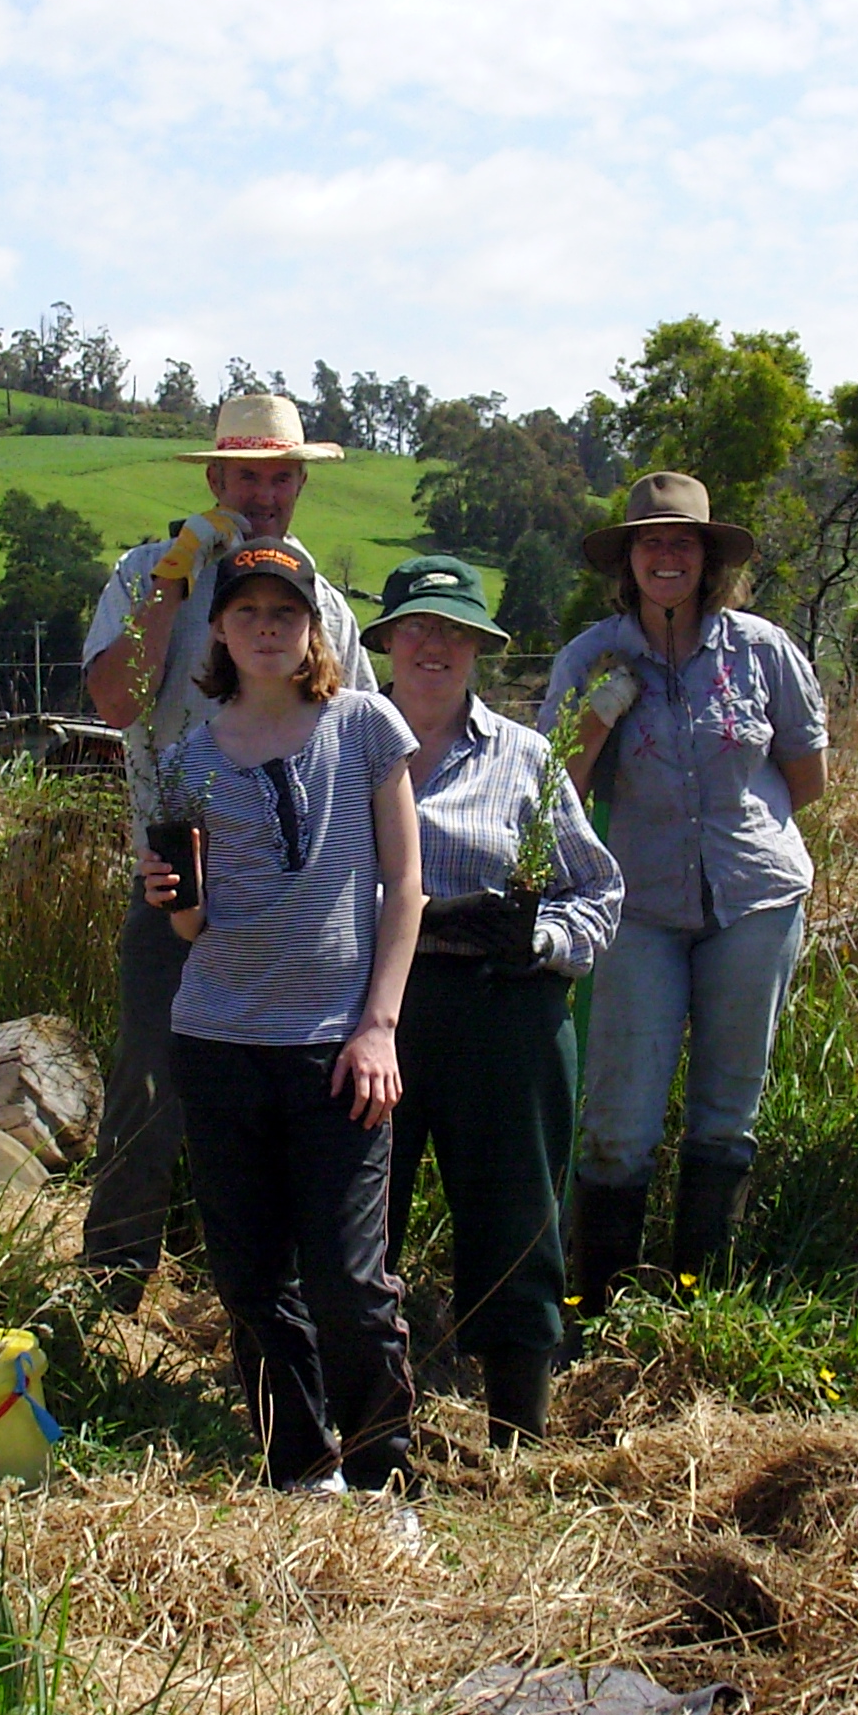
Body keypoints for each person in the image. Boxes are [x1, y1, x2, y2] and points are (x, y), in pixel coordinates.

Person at [138, 541, 424, 1495]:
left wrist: (378, 1026)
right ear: (218, 630)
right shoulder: (186, 759)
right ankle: (302, 1473)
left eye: (286, 613)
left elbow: (406, 887)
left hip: (336, 1047)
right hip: (218, 1040)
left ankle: (385, 1477)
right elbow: (192, 923)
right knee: (253, 1282)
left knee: (349, 1280)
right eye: (248, 613)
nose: (268, 629)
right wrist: (168, 891)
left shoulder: (366, 728)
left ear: (314, 631)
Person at [79, 391, 374, 1307]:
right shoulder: (145, 574)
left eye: (281, 475)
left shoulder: (320, 598)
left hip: (300, 883)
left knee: (288, 1083)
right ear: (213, 478)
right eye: (247, 473)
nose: (266, 491)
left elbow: (356, 736)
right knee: (153, 1074)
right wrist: (171, 584)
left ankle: (262, 1285)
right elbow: (117, 701)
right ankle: (117, 1281)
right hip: (180, 869)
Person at [541, 471, 827, 1317]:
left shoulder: (764, 651)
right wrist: (601, 715)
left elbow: (807, 778)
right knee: (619, 1120)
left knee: (726, 1116)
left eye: (683, 541)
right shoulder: (590, 656)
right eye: (650, 541)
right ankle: (601, 1312)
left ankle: (701, 1303)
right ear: (628, 561)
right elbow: (556, 791)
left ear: (709, 561)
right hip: (634, 909)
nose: (667, 554)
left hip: (756, 899)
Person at [366, 556, 621, 1446]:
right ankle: (363, 1420)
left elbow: (598, 891)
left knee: (517, 1214)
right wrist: (426, 913)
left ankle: (517, 1433)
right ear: (387, 641)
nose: (433, 645)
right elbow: (307, 891)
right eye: (417, 627)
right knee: (361, 1213)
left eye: (454, 630)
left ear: (478, 647)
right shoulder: (341, 748)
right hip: (375, 1012)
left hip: (505, 1010)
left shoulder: (527, 757)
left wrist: (539, 939)